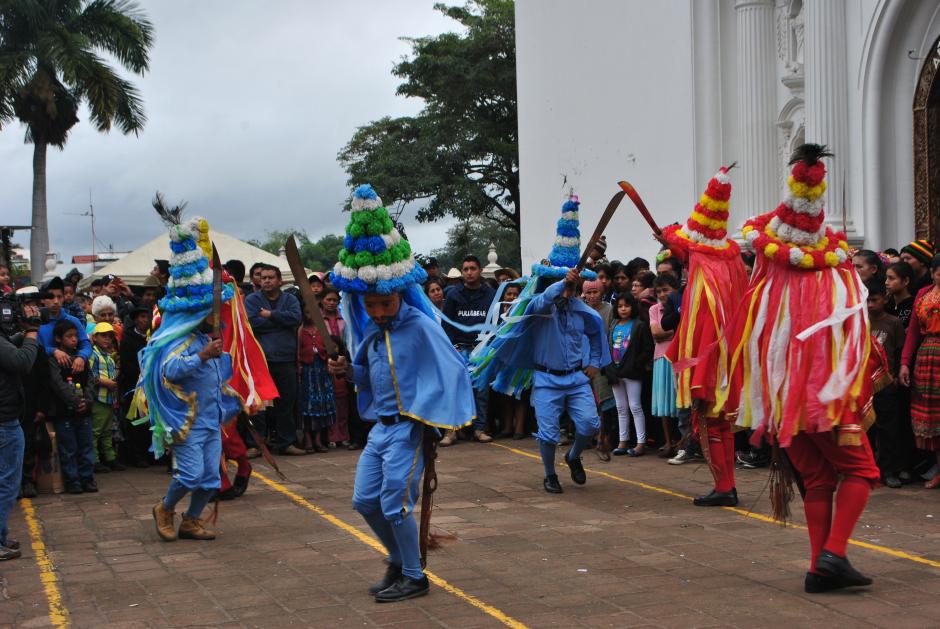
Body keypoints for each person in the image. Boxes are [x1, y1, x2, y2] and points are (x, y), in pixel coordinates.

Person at [728, 144, 878, 593]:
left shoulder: (766, 286)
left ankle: (818, 569)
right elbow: (852, 342)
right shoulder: (833, 279)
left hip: (783, 404)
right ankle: (833, 553)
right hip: (823, 403)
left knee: (817, 479)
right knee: (862, 472)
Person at [328, 184, 475, 602]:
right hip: (380, 429)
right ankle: (398, 559)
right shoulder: (372, 333)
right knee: (364, 502)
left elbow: (452, 370)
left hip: (409, 430)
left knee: (394, 505)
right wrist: (347, 370)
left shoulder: (422, 326)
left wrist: (430, 419)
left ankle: (415, 575)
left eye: (386, 304)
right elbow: (372, 377)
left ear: (401, 295)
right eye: (371, 305)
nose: (378, 312)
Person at [470, 194, 610, 493]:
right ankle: (550, 474)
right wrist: (562, 283)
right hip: (546, 379)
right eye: (564, 284)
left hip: (576, 378)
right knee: (547, 434)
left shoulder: (584, 311)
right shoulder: (537, 306)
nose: (570, 290)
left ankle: (573, 456)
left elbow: (596, 335)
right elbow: (545, 299)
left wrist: (594, 362)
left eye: (573, 285)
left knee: (590, 425)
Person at [141, 216, 243, 542]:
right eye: (209, 311)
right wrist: (202, 356)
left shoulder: (206, 338)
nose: (215, 315)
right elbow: (170, 371)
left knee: (212, 479)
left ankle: (191, 520)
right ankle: (165, 508)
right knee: (190, 474)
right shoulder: (177, 341)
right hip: (187, 421)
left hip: (211, 419)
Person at [658, 166, 749, 506]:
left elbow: (678, 243)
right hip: (726, 356)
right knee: (719, 424)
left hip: (711, 358)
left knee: (712, 424)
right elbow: (679, 245)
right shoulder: (728, 262)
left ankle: (725, 486)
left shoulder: (703, 265)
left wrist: (667, 239)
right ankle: (726, 485)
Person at [246, 265, 304, 455]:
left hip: (286, 358)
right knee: (259, 405)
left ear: (279, 281)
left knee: (286, 403)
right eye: (263, 278)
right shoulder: (252, 300)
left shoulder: (290, 299)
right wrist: (281, 322)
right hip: (261, 360)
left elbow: (295, 319)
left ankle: (286, 443)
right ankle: (257, 445)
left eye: (271, 277)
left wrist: (271, 315)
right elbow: (252, 323)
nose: (267, 281)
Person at [0, 298, 41, 560]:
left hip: (6, 420)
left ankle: (1, 535)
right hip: (4, 422)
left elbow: (9, 347)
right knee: (6, 484)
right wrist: (32, 332)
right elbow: (21, 362)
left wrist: (24, 332)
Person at [441, 255, 496, 446]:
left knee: (481, 391)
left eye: (473, 268)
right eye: (465, 269)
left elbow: (496, 322)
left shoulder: (491, 295)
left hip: (481, 351)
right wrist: (452, 348)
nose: (469, 272)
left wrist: (489, 347)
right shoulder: (453, 295)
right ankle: (451, 431)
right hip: (458, 349)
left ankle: (479, 429)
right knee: (454, 390)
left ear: (480, 271)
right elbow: (446, 324)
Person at [900, 253, 940, 488]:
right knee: (933, 415)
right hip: (927, 358)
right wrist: (905, 362)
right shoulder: (923, 294)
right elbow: (913, 331)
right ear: (932, 273)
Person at [47, 319, 97, 494]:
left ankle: (87, 478)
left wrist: (87, 400)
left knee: (86, 446)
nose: (74, 339)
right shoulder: (54, 360)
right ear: (58, 339)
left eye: (75, 336)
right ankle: (72, 481)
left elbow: (90, 380)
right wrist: (74, 401)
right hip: (65, 411)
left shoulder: (81, 358)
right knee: (68, 448)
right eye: (69, 336)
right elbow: (57, 384)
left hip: (84, 410)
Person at [865, 280, 905, 488]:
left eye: (874, 300)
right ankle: (867, 470)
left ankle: (888, 470)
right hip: (863, 384)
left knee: (888, 428)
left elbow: (899, 351)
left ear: (885, 298)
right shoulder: (860, 321)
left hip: (886, 382)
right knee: (867, 427)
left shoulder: (893, 323)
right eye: (867, 300)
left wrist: (896, 375)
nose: (870, 305)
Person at [13, 287, 50, 499]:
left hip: (30, 404)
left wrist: (41, 408)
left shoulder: (37, 346)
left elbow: (44, 380)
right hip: (9, 405)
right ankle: (13, 483)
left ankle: (27, 480)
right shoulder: (9, 341)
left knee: (28, 443)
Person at [607, 293, 654, 456]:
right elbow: (609, 346)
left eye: (626, 306)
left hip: (632, 373)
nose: (623, 309)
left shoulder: (639, 326)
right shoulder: (613, 325)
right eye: (620, 306)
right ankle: (623, 441)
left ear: (633, 307)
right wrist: (609, 368)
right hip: (615, 372)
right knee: (621, 407)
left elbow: (648, 349)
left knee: (635, 406)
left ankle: (641, 443)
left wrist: (635, 363)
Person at [650, 272, 680, 457]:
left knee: (679, 402)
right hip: (661, 358)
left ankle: (682, 442)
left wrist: (666, 332)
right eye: (659, 291)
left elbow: (665, 332)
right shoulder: (654, 309)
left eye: (666, 290)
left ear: (675, 290)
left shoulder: (681, 306)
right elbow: (656, 333)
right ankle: (669, 442)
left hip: (678, 358)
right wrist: (673, 332)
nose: (662, 294)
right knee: (663, 403)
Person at [298, 306, 334, 453]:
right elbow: (297, 352)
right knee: (307, 405)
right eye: (308, 312)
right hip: (307, 372)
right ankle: (307, 439)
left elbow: (330, 349)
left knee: (321, 404)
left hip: (322, 371)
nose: (311, 315)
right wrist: (299, 367)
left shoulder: (323, 330)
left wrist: (329, 362)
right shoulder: (300, 331)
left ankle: (318, 439)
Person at [38, 276, 91, 376]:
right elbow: (33, 348)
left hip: (69, 374)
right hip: (42, 374)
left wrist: (81, 357)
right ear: (42, 299)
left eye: (59, 297)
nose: (56, 301)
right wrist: (53, 351)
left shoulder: (73, 321)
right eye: (51, 297)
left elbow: (85, 344)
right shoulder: (35, 323)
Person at [88, 322, 123, 472]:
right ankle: (94, 461)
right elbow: (89, 375)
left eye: (109, 336)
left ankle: (110, 458)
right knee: (96, 431)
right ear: (95, 337)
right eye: (103, 336)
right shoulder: (93, 354)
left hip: (109, 398)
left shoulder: (109, 357)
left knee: (107, 431)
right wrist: (105, 382)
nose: (107, 339)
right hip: (98, 398)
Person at [119, 306, 151, 467]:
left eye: (147, 317)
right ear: (136, 319)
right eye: (142, 317)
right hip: (135, 385)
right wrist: (140, 377)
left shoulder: (154, 336)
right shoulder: (128, 338)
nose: (145, 320)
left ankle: (151, 453)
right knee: (137, 420)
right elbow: (126, 363)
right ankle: (138, 455)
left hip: (152, 385)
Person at [885, 261, 915, 329]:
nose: (886, 282)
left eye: (891, 278)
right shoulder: (886, 302)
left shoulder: (914, 305)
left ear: (906, 281)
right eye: (886, 278)